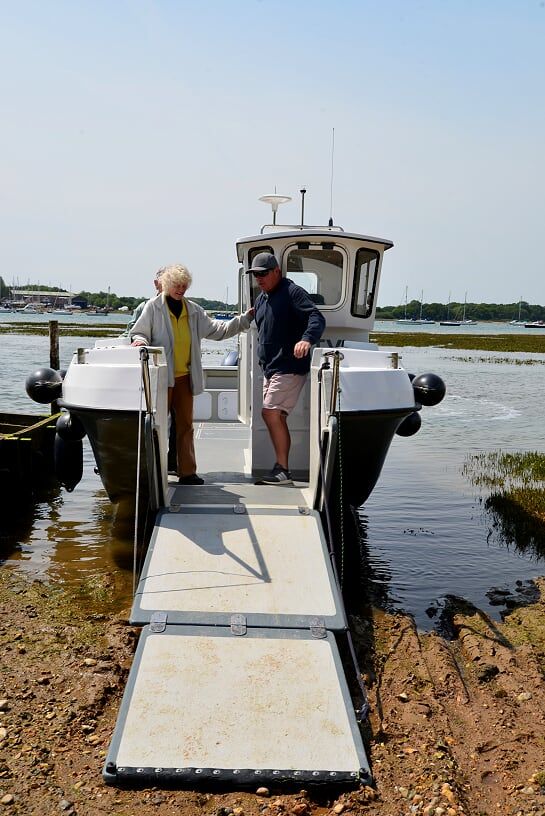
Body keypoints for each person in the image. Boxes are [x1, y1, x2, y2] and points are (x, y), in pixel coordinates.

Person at [131, 264, 253, 485]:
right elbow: (140, 332)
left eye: (184, 285)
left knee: (186, 426)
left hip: (184, 377)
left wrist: (244, 319)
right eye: (177, 285)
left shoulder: (194, 310)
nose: (181, 289)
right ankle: (154, 470)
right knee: (156, 424)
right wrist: (140, 340)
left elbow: (218, 330)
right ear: (166, 284)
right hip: (162, 378)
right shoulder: (152, 307)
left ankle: (187, 472)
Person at [248, 252, 325, 486]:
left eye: (263, 274)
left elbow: (316, 317)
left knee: (270, 412)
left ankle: (283, 470)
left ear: (276, 272)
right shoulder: (262, 299)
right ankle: (281, 469)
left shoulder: (292, 291)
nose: (259, 279)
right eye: (255, 275)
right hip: (271, 368)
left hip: (289, 365)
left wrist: (306, 339)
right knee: (275, 414)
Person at [121, 270, 164, 337]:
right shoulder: (143, 307)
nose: (170, 286)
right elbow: (129, 334)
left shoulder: (184, 307)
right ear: (156, 283)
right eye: (166, 282)